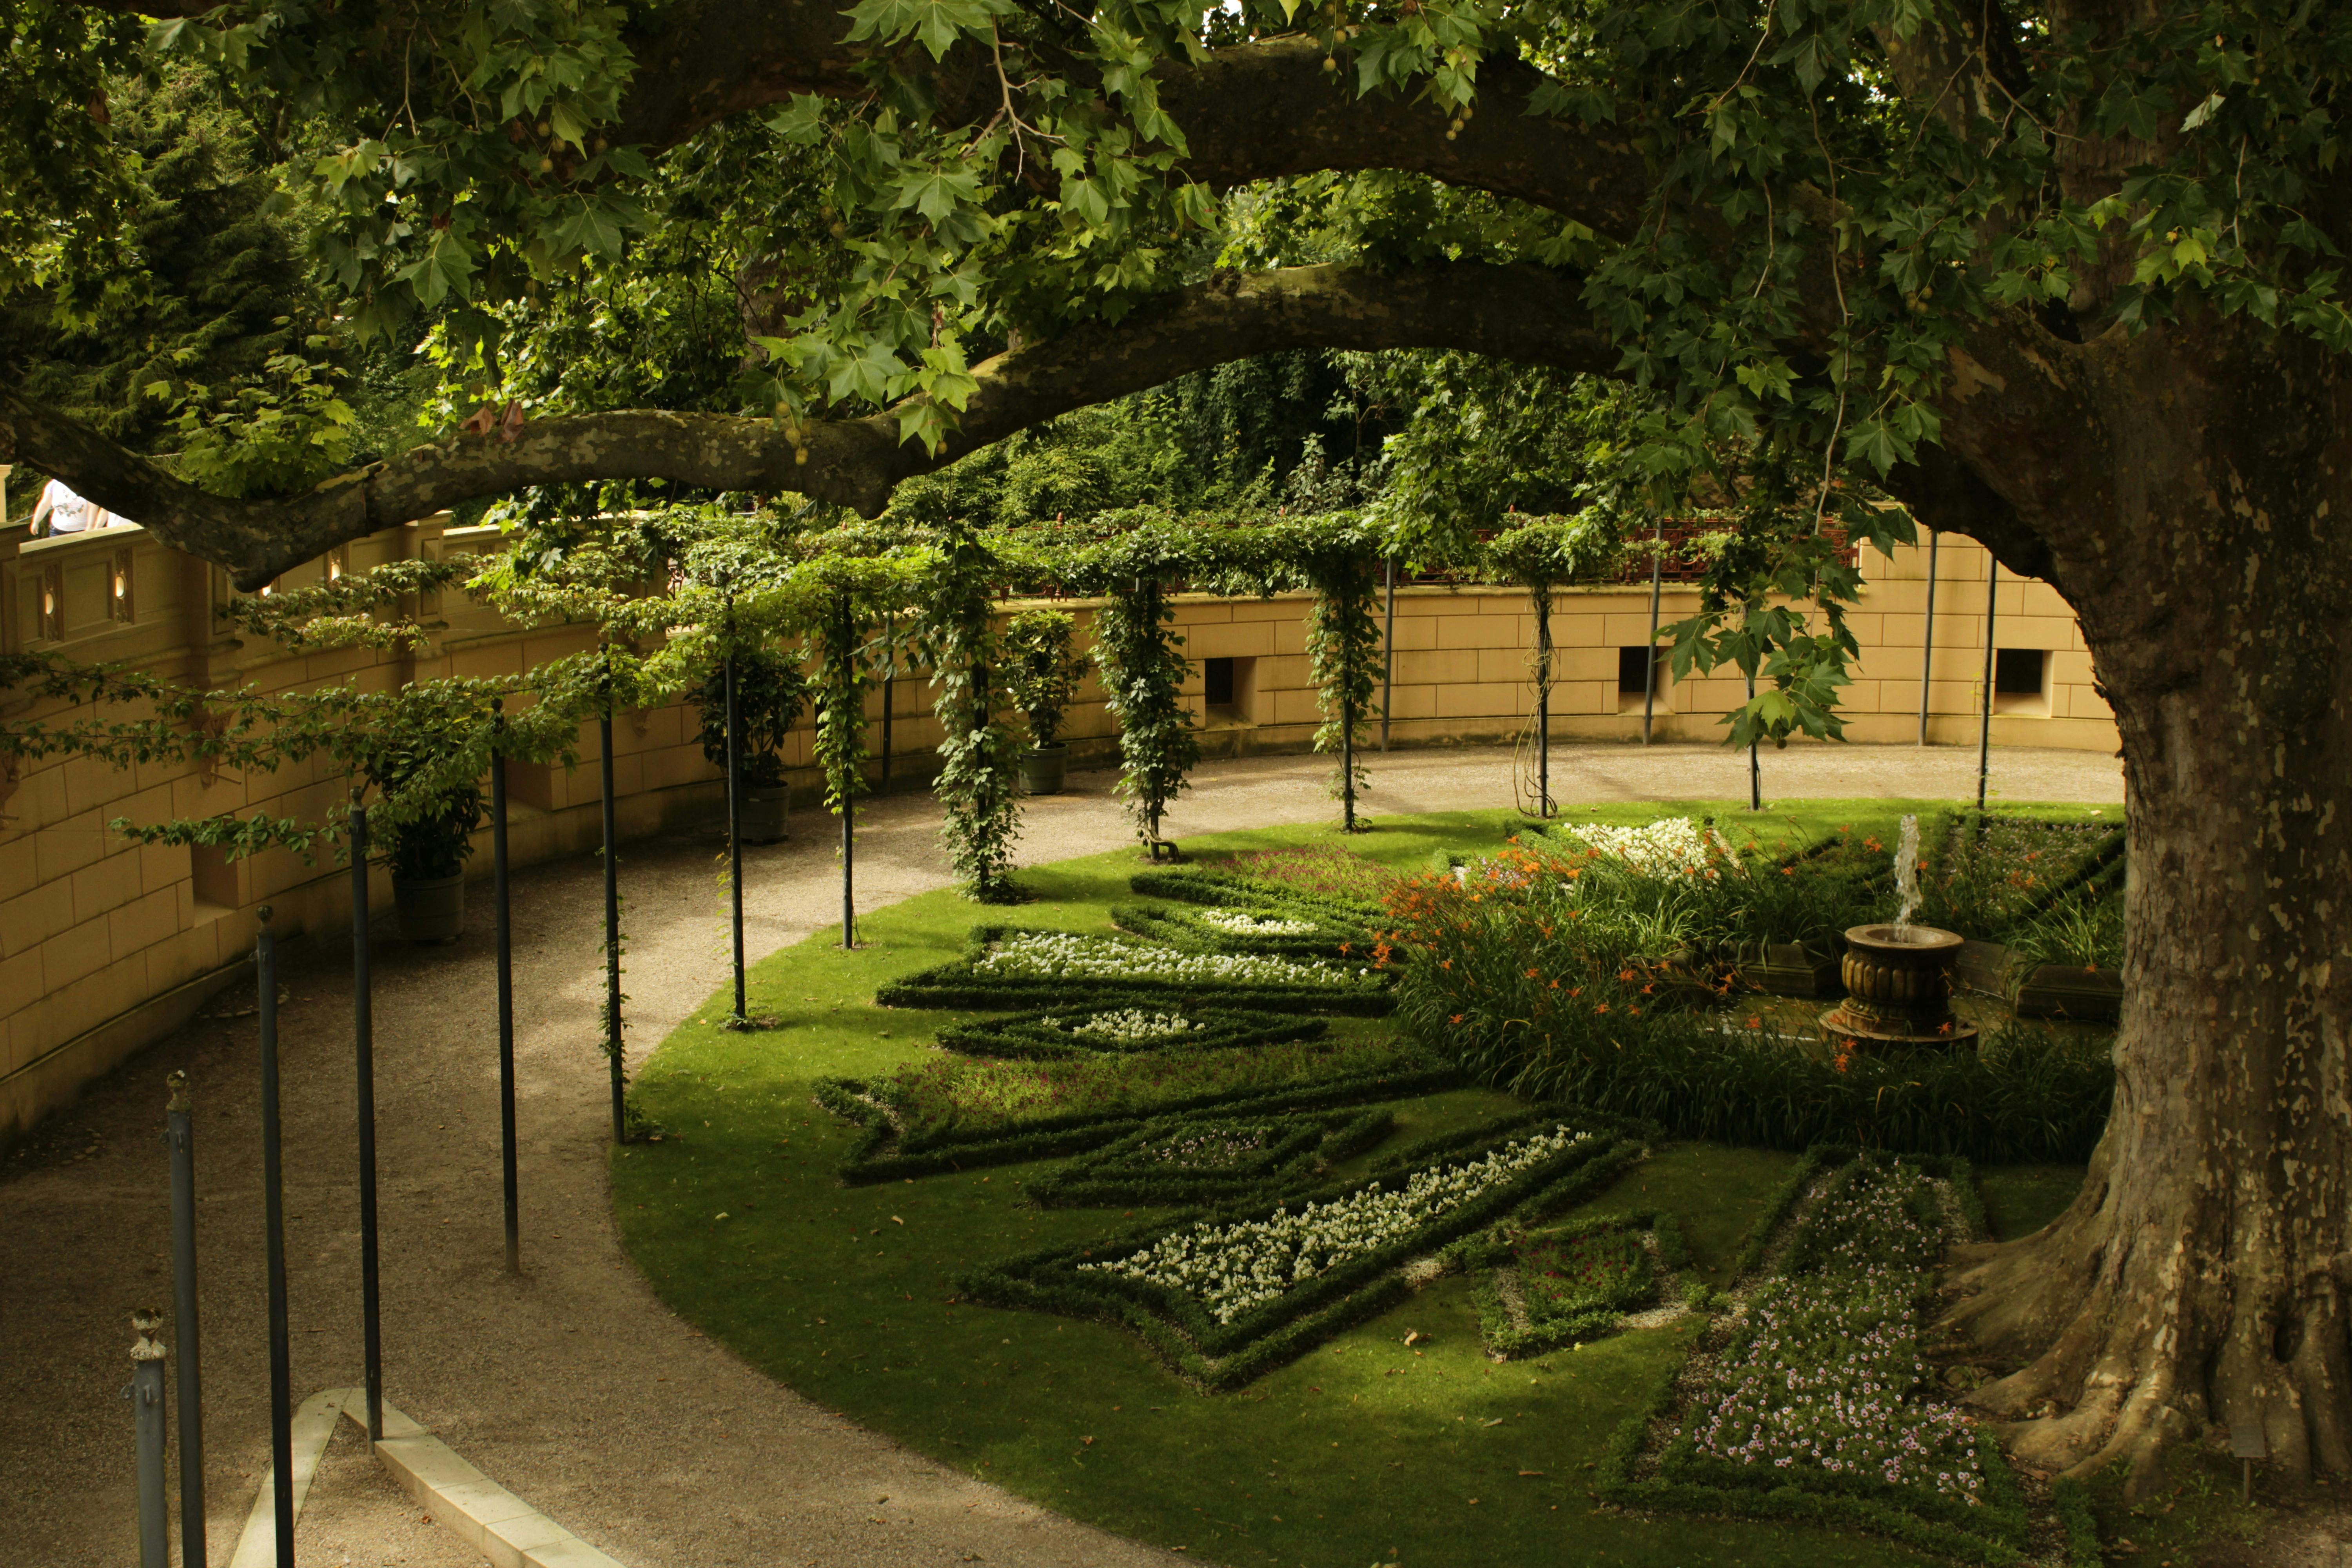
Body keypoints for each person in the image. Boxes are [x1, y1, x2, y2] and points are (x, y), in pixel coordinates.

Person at [29, 477, 118, 536]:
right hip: (57, 531)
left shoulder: (85, 485)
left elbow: (93, 506)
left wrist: (91, 526)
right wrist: (36, 522)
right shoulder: (53, 485)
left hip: (82, 531)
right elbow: (44, 505)